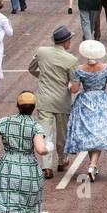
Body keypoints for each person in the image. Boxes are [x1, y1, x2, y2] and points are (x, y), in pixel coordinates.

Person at [66, 40, 107, 182]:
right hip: (101, 100)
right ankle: (93, 165)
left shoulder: (79, 69)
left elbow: (74, 89)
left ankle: (93, 164)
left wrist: (70, 84)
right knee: (97, 133)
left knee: (90, 133)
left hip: (85, 100)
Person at [30, 26, 77, 179]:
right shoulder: (71, 59)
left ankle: (46, 166)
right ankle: (62, 160)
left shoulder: (42, 52)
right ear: (66, 42)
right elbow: (73, 82)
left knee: (45, 133)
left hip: (44, 98)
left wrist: (44, 76)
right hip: (62, 99)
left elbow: (31, 68)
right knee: (62, 133)